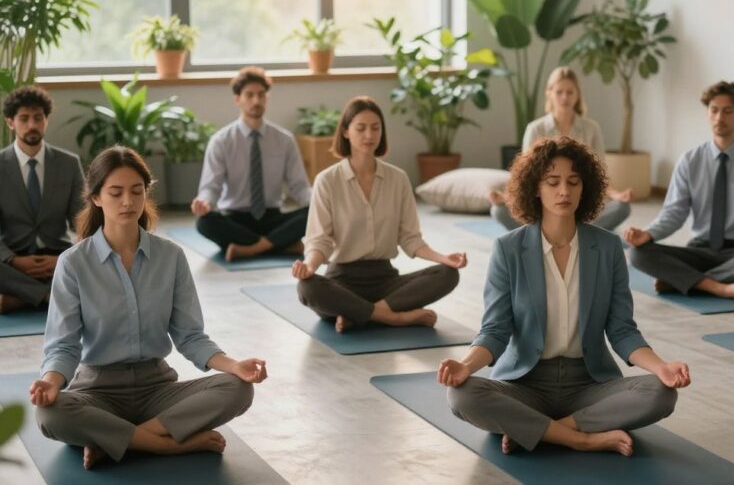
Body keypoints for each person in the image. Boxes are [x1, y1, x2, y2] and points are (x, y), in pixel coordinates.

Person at [440, 137, 688, 456]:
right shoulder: (508, 249)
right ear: (535, 188)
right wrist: (465, 366)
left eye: (573, 182)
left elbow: (622, 330)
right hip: (524, 384)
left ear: (585, 188)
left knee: (661, 393)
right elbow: (495, 330)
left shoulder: (608, 248)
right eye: (552, 182)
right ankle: (581, 438)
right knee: (461, 395)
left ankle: (540, 430)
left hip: (589, 384)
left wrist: (661, 367)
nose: (564, 191)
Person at [31, 146, 267, 469]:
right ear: (96, 197)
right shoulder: (73, 263)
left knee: (239, 388)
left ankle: (117, 442)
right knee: (49, 413)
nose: (127, 201)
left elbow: (190, 336)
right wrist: (51, 382)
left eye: (136, 191)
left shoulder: (171, 257)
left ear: (146, 193)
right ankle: (165, 445)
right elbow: (63, 346)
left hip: (157, 390)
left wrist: (234, 364)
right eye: (116, 193)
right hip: (97, 393)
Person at [291, 96, 466, 332]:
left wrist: (443, 258)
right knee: (307, 288)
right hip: (342, 282)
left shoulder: (398, 178)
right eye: (360, 128)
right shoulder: (327, 180)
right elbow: (319, 240)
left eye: (375, 128)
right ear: (345, 131)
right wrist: (309, 267)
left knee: (448, 274)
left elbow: (410, 238)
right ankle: (393, 317)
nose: (369, 135)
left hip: (386, 282)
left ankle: (360, 314)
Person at [625, 80, 734, 303]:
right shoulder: (690, 160)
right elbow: (674, 213)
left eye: (728, 111)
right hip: (699, 250)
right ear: (707, 113)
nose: (719, 118)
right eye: (714, 110)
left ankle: (681, 281)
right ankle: (718, 287)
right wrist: (647, 234)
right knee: (638, 253)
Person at [489, 67, 632, 231]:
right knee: (499, 211)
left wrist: (616, 195)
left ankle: (554, 232)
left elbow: (599, 174)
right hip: (543, 207)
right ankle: (575, 232)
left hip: (580, 204)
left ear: (578, 95)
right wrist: (506, 197)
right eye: (559, 92)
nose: (565, 97)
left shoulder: (592, 128)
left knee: (622, 208)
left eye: (570, 92)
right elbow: (525, 175)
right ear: (549, 93)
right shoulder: (535, 129)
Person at [192, 66, 310, 261]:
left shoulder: (285, 140)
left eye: (261, 95)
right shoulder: (221, 141)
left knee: (314, 213)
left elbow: (300, 187)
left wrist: (319, 203)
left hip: (273, 218)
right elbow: (211, 188)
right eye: (249, 95)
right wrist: (204, 203)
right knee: (204, 222)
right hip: (236, 220)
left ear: (267, 98)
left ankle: (249, 248)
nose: (256, 101)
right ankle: (280, 244)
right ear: (237, 99)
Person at [0, 86, 84, 313]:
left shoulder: (68, 164)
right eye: (24, 118)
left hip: (58, 256)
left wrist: (62, 260)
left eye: (38, 118)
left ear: (46, 120)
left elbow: (83, 222)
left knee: (96, 256)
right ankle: (49, 295)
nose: (32, 125)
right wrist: (14, 260)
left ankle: (21, 298)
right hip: (13, 260)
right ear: (11, 122)